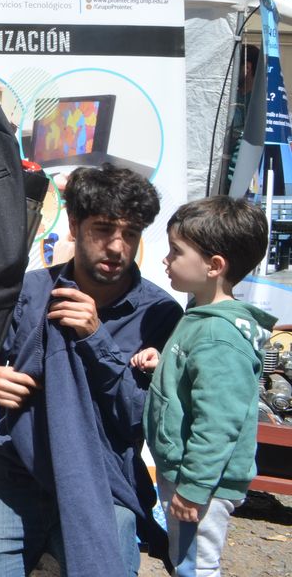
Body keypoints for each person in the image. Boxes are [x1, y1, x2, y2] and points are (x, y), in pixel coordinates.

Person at [0, 164, 184, 577]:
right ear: (74, 225)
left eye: (130, 233)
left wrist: (96, 339)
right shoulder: (32, 292)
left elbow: (140, 418)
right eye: (103, 229)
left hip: (105, 482)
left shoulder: (158, 314)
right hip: (14, 474)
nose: (117, 247)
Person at [133, 196, 275, 577]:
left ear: (214, 266)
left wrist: (193, 489)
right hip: (191, 476)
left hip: (201, 483)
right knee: (186, 560)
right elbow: (201, 381)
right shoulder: (202, 317)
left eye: (176, 251)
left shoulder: (217, 335)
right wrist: (164, 365)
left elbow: (218, 422)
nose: (166, 259)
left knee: (195, 566)